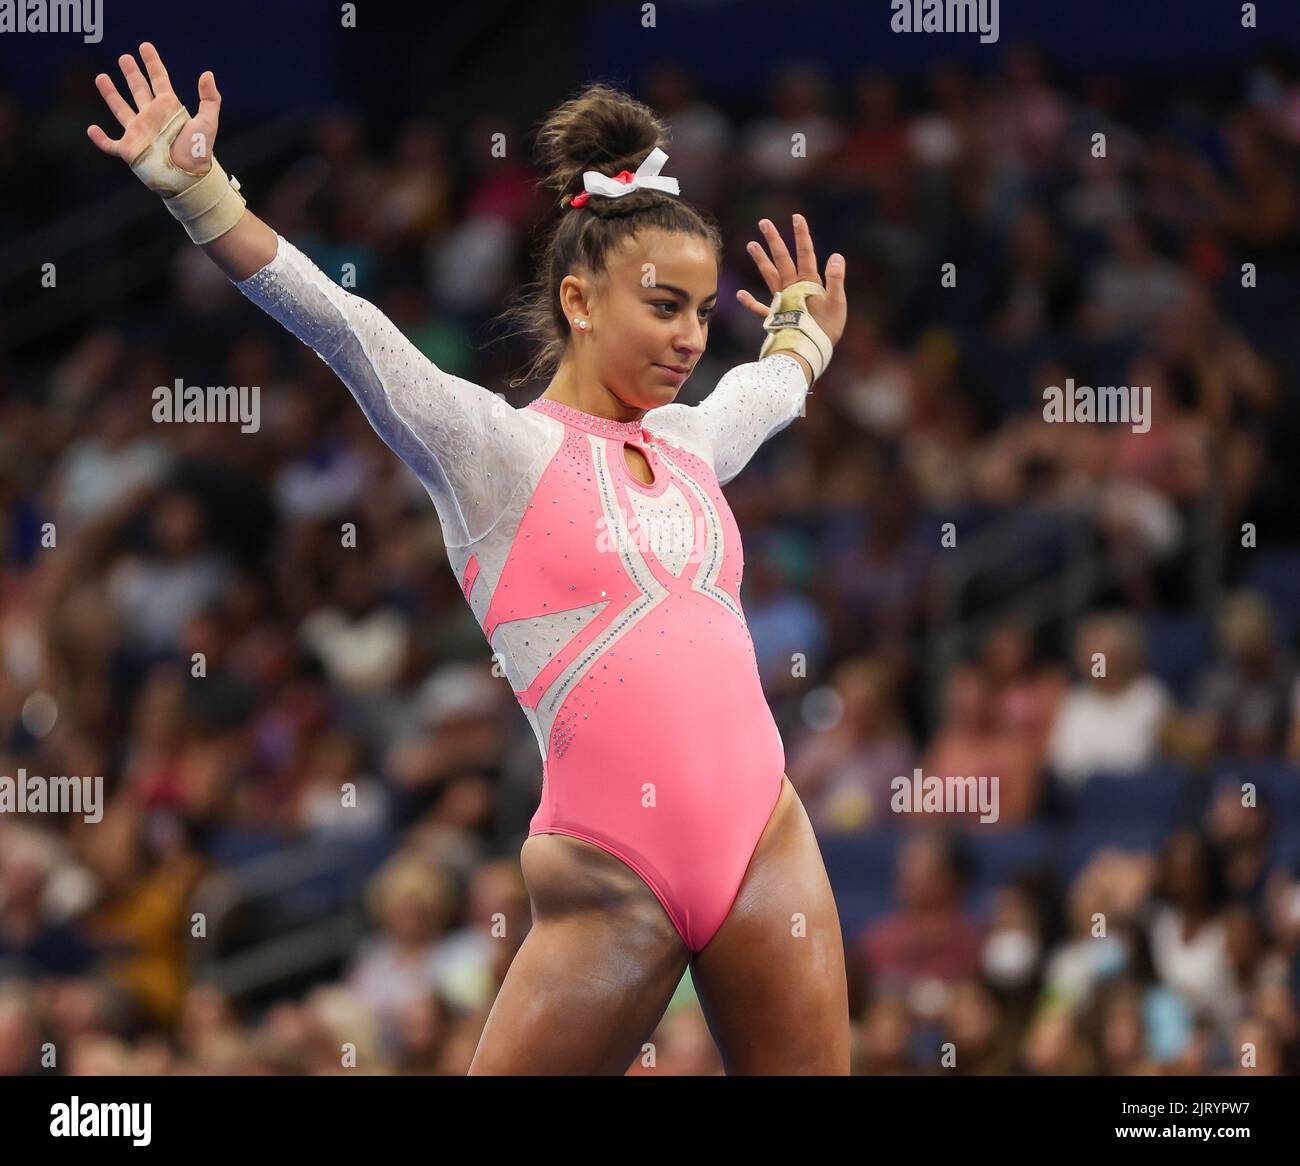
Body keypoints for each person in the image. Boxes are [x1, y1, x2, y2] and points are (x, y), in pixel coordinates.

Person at [89, 44, 850, 1074]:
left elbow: (762, 393)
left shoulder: (687, 442)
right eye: (663, 306)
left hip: (769, 842)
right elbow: (348, 330)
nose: (686, 339)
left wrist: (801, 334)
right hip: (614, 873)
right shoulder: (496, 449)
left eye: (701, 313)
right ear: (581, 302)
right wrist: (200, 194)